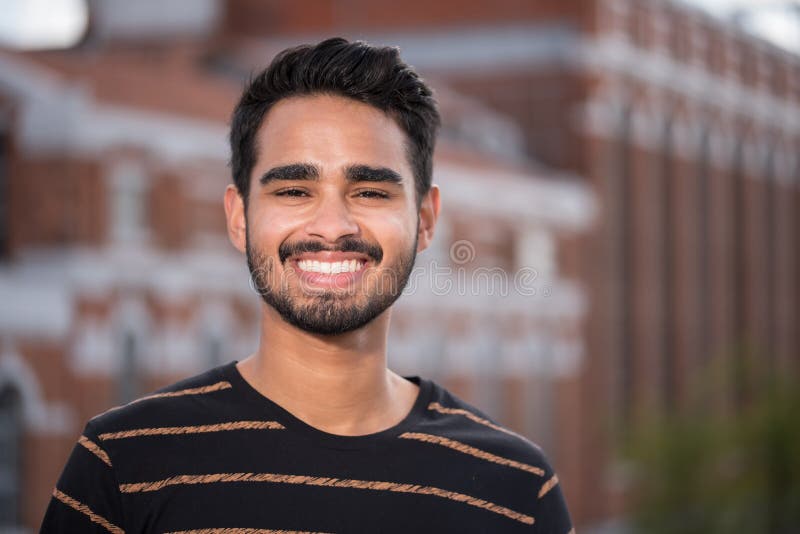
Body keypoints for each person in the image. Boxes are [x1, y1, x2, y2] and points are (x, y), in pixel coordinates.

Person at [41, 37, 574, 533]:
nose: (333, 227)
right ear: (239, 217)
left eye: (370, 192)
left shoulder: (518, 489)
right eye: (294, 190)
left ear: (426, 219)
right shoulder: (122, 465)